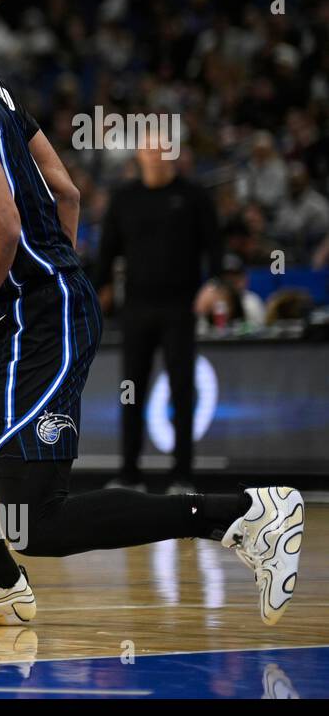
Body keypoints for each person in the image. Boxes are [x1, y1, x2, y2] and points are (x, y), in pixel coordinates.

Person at [0, 0, 303, 628]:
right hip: (23, 301)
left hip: (34, 312)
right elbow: (62, 188)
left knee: (42, 521)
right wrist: (46, 270)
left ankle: (247, 513)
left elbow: (0, 226)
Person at [93, 138, 222, 492]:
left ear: (174, 154)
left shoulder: (194, 196)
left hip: (180, 308)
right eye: (148, 149)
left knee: (182, 392)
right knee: (131, 390)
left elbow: (216, 248)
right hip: (135, 308)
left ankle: (182, 476)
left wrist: (214, 284)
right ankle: (129, 474)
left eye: (162, 148)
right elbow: (107, 253)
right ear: (139, 155)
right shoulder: (124, 198)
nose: (155, 155)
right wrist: (95, 292)